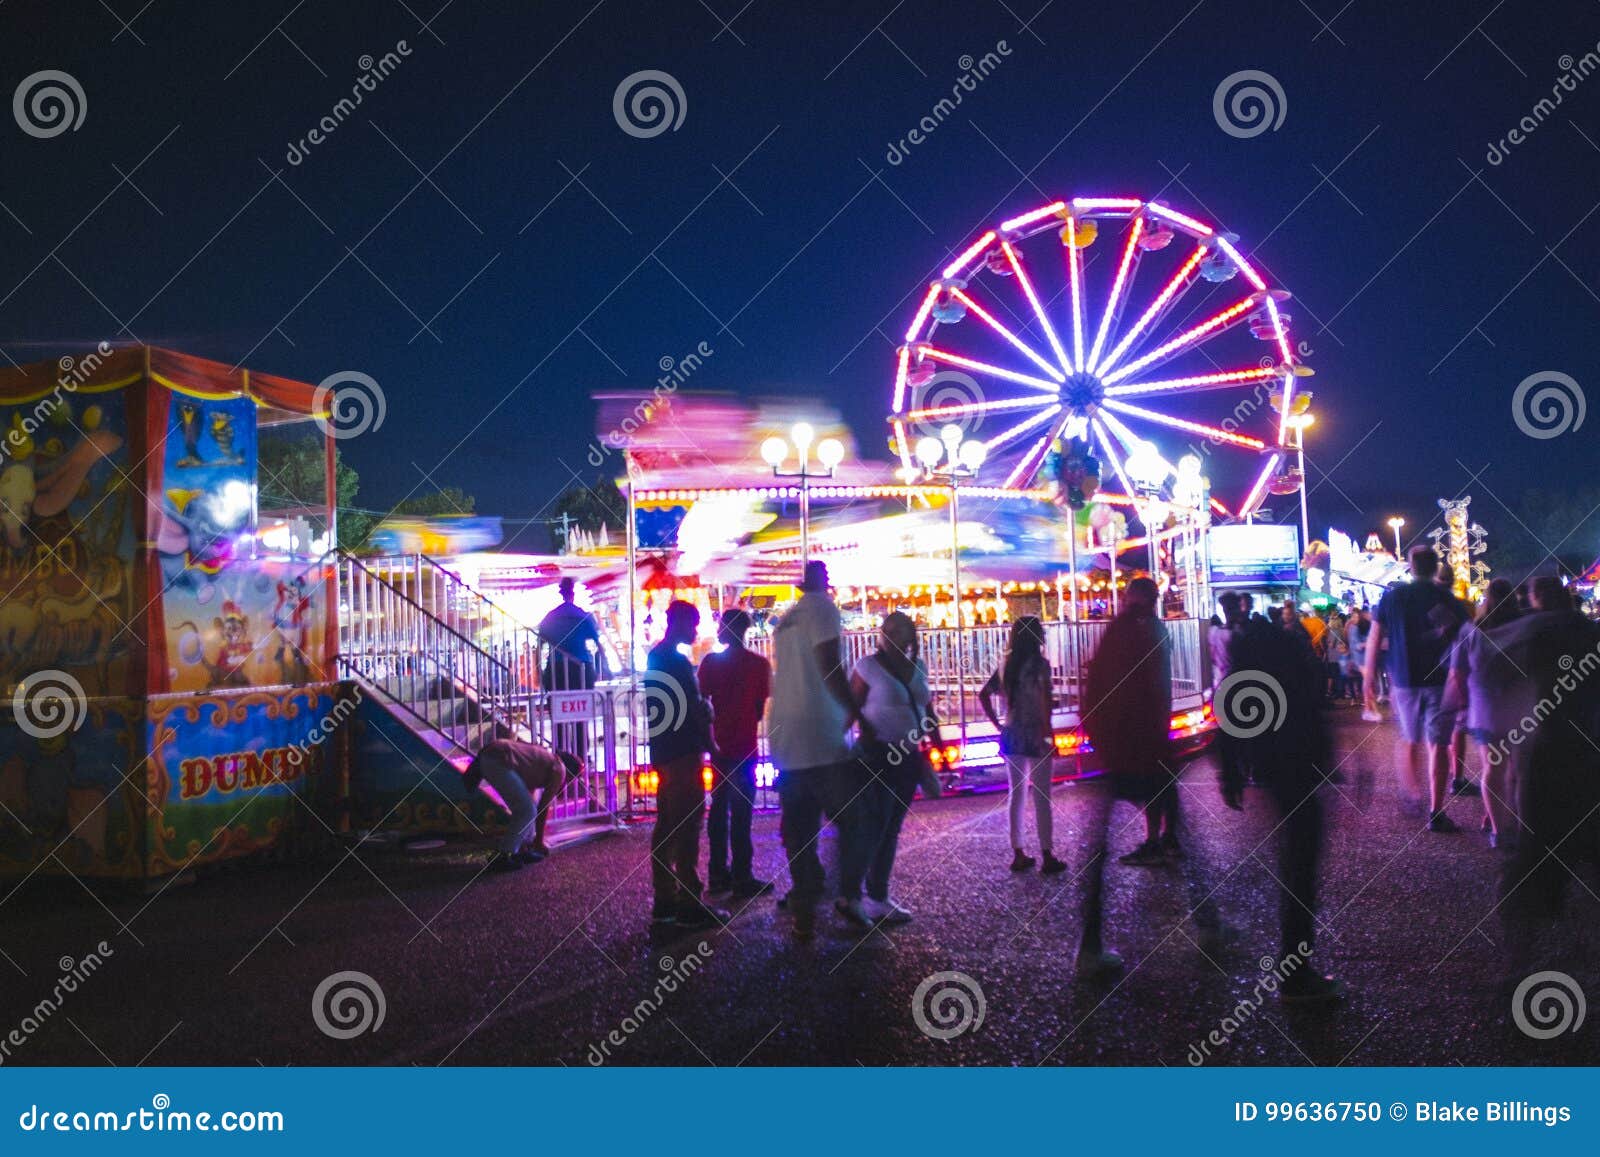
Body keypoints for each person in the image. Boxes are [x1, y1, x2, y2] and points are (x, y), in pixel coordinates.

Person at [1081, 578, 1228, 977]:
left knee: (1099, 848)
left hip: (1119, 748)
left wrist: (1100, 738)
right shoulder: (1151, 631)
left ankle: (1090, 946)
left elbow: (1095, 688)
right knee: (1183, 833)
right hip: (1147, 746)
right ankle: (1209, 924)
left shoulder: (1118, 630)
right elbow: (1153, 689)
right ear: (1153, 599)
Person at [1223, 610, 1346, 1003]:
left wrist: (1233, 771)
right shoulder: (1288, 651)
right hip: (1299, 767)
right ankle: (1295, 971)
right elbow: (1312, 709)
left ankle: (1294, 965)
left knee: (1296, 865)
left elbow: (1232, 716)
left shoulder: (1250, 658)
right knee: (1300, 868)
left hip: (1276, 766)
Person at [1496, 579, 1600, 969]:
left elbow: (1487, 661)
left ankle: (1518, 960)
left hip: (1548, 752)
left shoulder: (1531, 631)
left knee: (1534, 853)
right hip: (1590, 750)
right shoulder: (1589, 630)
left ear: (1537, 601)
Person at [767, 561, 866, 940]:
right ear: (822, 582)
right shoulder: (824, 608)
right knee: (853, 817)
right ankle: (850, 892)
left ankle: (805, 897)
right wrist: (854, 707)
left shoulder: (786, 618)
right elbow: (829, 664)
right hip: (820, 730)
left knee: (798, 824)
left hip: (786, 731)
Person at [1363, 546, 1469, 831]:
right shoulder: (1444, 597)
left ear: (1410, 566)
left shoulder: (1393, 597)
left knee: (1409, 738)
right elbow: (1461, 636)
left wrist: (1368, 678)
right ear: (1435, 567)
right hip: (1439, 680)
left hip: (1404, 680)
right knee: (1439, 744)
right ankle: (1436, 810)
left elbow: (1375, 637)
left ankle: (1412, 792)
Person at [849, 611, 935, 923]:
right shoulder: (868, 666)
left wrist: (932, 745)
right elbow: (851, 705)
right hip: (879, 755)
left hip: (908, 756)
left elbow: (927, 709)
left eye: (904, 630)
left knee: (892, 827)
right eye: (892, 630)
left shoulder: (918, 667)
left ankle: (877, 895)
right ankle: (854, 894)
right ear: (884, 636)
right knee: (876, 825)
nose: (898, 636)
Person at [646, 600, 727, 930]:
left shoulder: (655, 656)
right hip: (683, 751)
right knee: (688, 823)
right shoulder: (677, 661)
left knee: (667, 823)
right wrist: (711, 742)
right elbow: (695, 708)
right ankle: (688, 901)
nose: (696, 631)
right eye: (692, 624)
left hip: (663, 749)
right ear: (678, 623)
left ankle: (665, 897)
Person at [696, 608, 774, 898]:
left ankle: (718, 872)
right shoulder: (758, 664)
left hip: (720, 744)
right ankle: (742, 874)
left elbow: (702, 704)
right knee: (742, 813)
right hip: (744, 745)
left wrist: (709, 741)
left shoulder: (711, 664)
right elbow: (757, 708)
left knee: (719, 810)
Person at [979, 616, 1066, 874]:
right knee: (1042, 796)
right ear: (1035, 636)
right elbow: (1045, 702)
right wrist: (1049, 737)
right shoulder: (1040, 665)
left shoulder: (1006, 666)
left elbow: (984, 694)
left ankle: (1018, 851)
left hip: (1012, 732)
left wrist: (998, 725)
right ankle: (1047, 853)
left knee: (1016, 794)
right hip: (1036, 733)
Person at [1443, 577, 1524, 848]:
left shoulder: (1471, 630)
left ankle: (1498, 828)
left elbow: (1457, 673)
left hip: (1485, 709)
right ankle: (1509, 819)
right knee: (1514, 769)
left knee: (1493, 769)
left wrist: (1465, 703)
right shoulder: (1522, 628)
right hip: (1521, 709)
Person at [463, 736, 582, 870]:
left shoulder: (545, 763)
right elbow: (543, 809)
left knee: (528, 808)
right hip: (499, 759)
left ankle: (522, 848)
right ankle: (504, 854)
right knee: (527, 811)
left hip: (495, 756)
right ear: (571, 773)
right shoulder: (559, 769)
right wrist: (539, 842)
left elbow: (532, 797)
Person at [538, 577, 608, 756]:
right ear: (573, 593)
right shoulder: (583, 616)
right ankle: (581, 758)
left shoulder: (550, 617)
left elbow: (539, 646)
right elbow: (598, 644)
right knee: (580, 718)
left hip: (557, 670)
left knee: (558, 719)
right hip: (580, 671)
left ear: (561, 592)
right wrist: (601, 668)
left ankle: (561, 758)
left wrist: (539, 673)